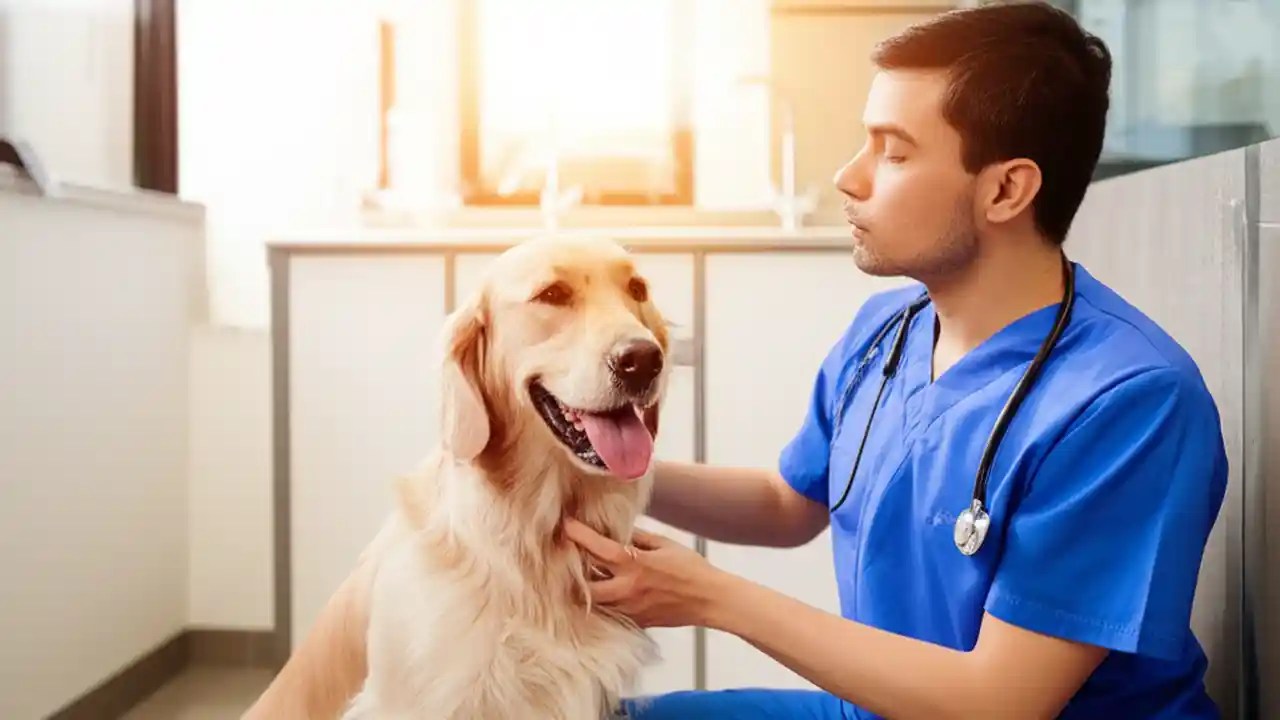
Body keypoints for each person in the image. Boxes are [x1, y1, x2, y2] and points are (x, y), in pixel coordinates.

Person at [245, 2, 1229, 718]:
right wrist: (563, 457)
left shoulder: (1125, 403)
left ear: (1005, 189)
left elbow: (996, 703)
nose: (844, 177)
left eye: (888, 151)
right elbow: (786, 503)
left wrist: (708, 596)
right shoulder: (887, 338)